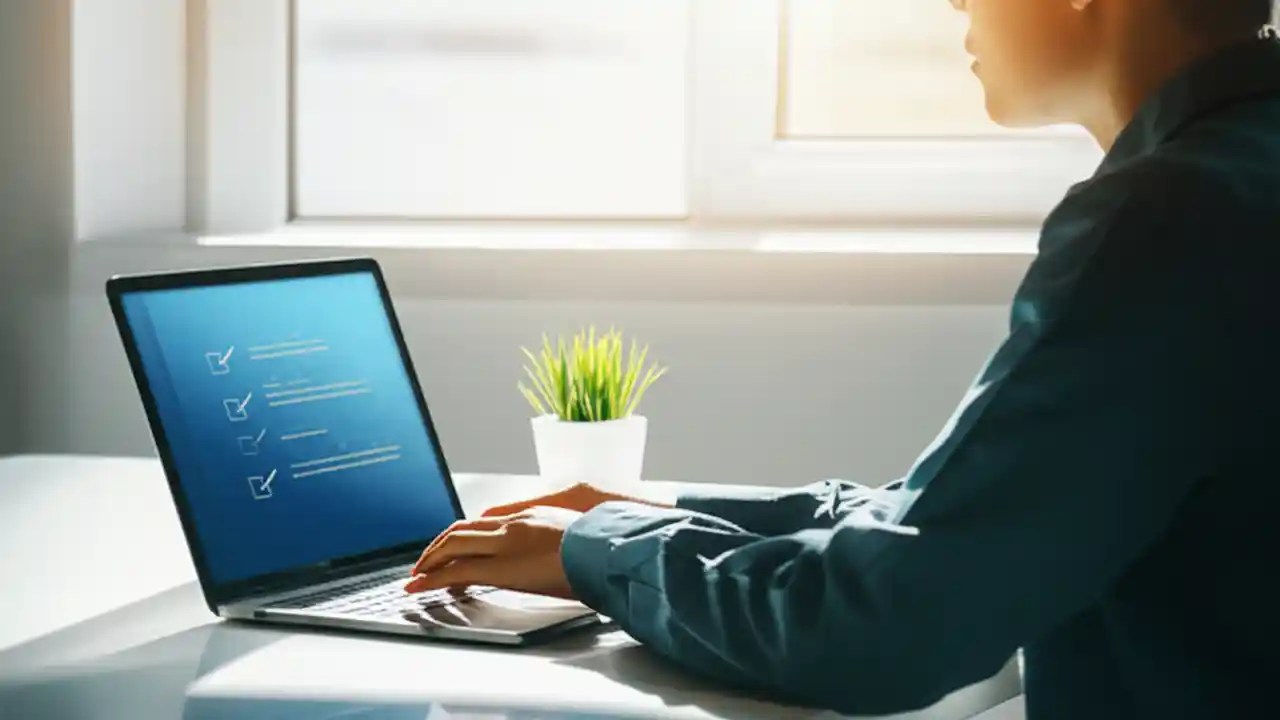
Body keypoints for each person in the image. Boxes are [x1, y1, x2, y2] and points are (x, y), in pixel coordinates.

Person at [406, 1, 1280, 717]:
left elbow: (888, 624)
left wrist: (596, 552)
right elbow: (966, 520)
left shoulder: (1168, 222)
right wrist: (645, 507)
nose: (959, 3)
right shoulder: (1242, 175)